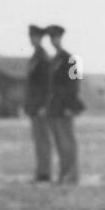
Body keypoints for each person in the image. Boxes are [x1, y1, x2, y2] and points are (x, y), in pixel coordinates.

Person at [45, 25, 84, 183]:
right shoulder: (53, 60)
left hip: (65, 107)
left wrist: (70, 106)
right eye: (52, 38)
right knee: (60, 143)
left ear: (61, 38)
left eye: (56, 37)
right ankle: (63, 173)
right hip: (55, 106)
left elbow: (74, 85)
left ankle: (72, 174)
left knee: (68, 141)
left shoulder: (71, 59)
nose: (54, 41)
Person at [24, 24, 52, 182]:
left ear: (40, 38)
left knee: (43, 139)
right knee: (38, 139)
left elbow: (47, 85)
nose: (31, 40)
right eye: (30, 37)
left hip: (40, 106)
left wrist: (43, 105)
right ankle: (41, 171)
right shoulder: (35, 56)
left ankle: (45, 172)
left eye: (34, 37)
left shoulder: (43, 58)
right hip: (34, 106)